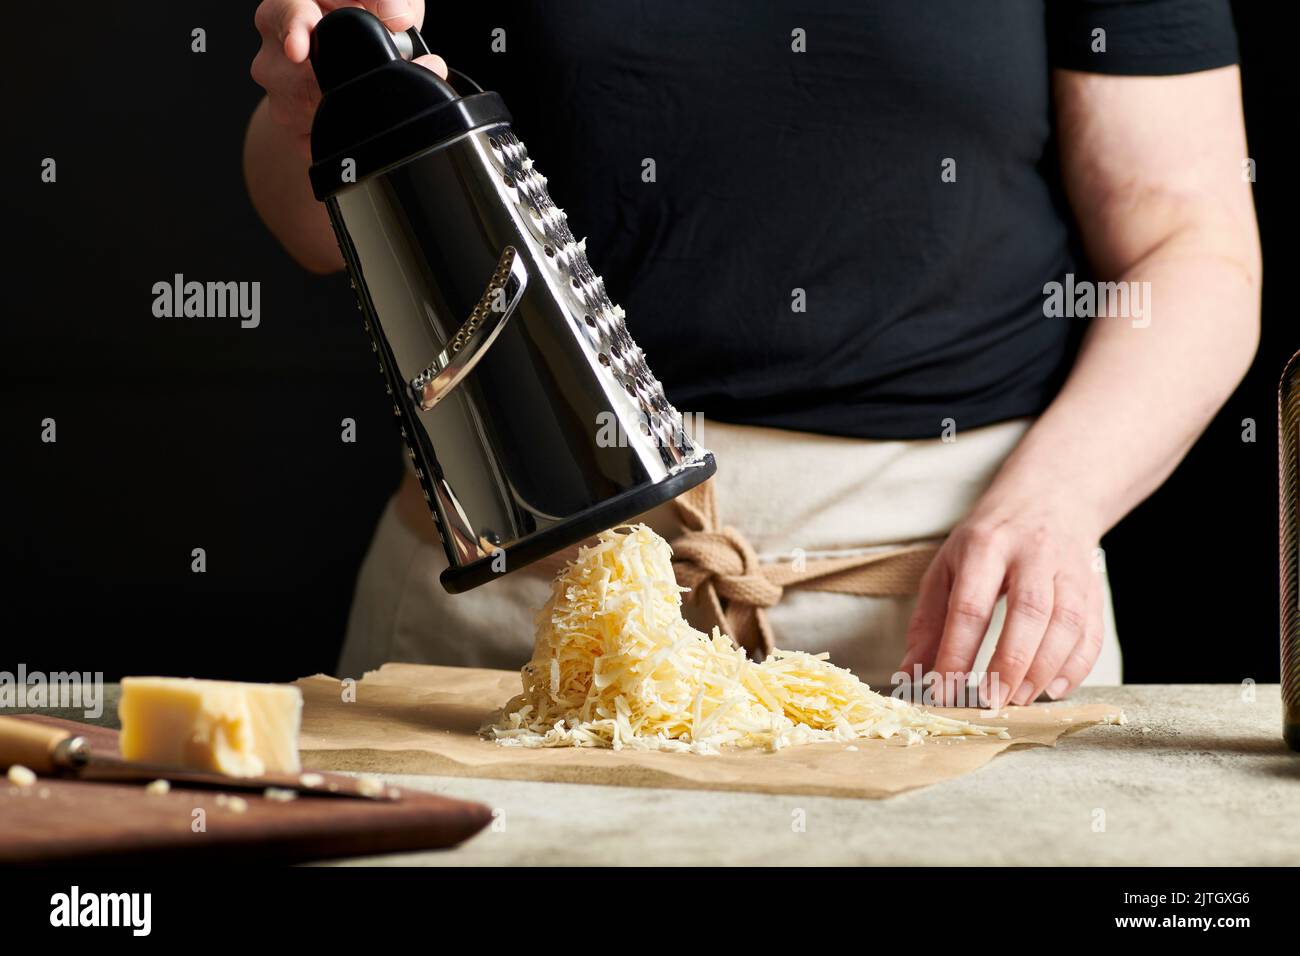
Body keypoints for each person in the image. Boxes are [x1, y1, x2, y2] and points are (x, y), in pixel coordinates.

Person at [246, 0, 1260, 708]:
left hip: (952, 623)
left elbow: (1190, 242)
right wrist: (310, 113)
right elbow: (314, 222)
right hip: (518, 606)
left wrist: (1053, 505)